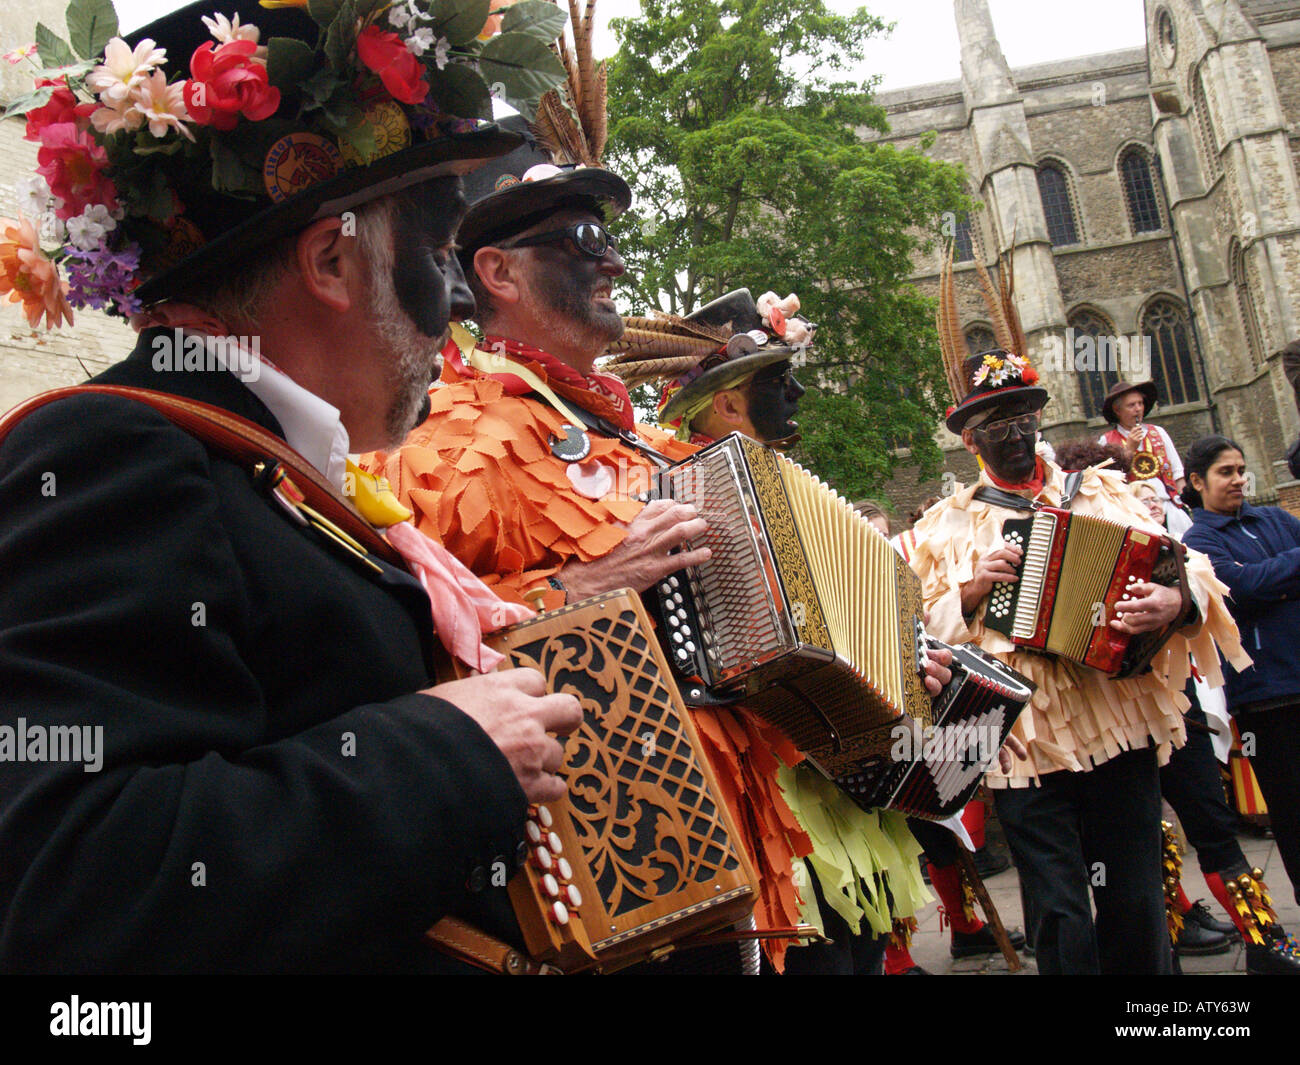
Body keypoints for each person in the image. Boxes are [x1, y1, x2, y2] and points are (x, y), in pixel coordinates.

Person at [0, 0, 581, 973]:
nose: (465, 304)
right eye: (439, 257)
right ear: (330, 259)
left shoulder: (259, 471)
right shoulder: (113, 452)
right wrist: (449, 756)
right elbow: (68, 883)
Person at [909, 249, 1249, 974]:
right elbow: (909, 628)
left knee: (1134, 900)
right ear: (968, 439)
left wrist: (1174, 599)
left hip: (1119, 725)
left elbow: (1190, 567)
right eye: (994, 421)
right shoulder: (942, 527)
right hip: (1026, 745)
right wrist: (969, 594)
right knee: (1060, 908)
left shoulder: (1099, 493)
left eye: (1022, 414)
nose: (1014, 431)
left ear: (1039, 416)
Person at [1181, 437, 1300, 929]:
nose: (1238, 480)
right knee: (1293, 817)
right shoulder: (1199, 540)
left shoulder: (1276, 520)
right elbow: (1238, 588)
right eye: (1225, 472)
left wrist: (1272, 578)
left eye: (1241, 470)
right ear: (1197, 482)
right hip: (1267, 698)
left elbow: (1261, 580)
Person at [1097, 380, 1187, 528]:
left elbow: (1177, 472)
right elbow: (1107, 483)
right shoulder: (1106, 441)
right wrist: (1129, 450)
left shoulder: (1158, 432)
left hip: (1166, 506)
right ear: (1117, 410)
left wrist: (1183, 501)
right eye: (1131, 405)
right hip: (1132, 514)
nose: (1138, 409)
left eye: (1140, 404)